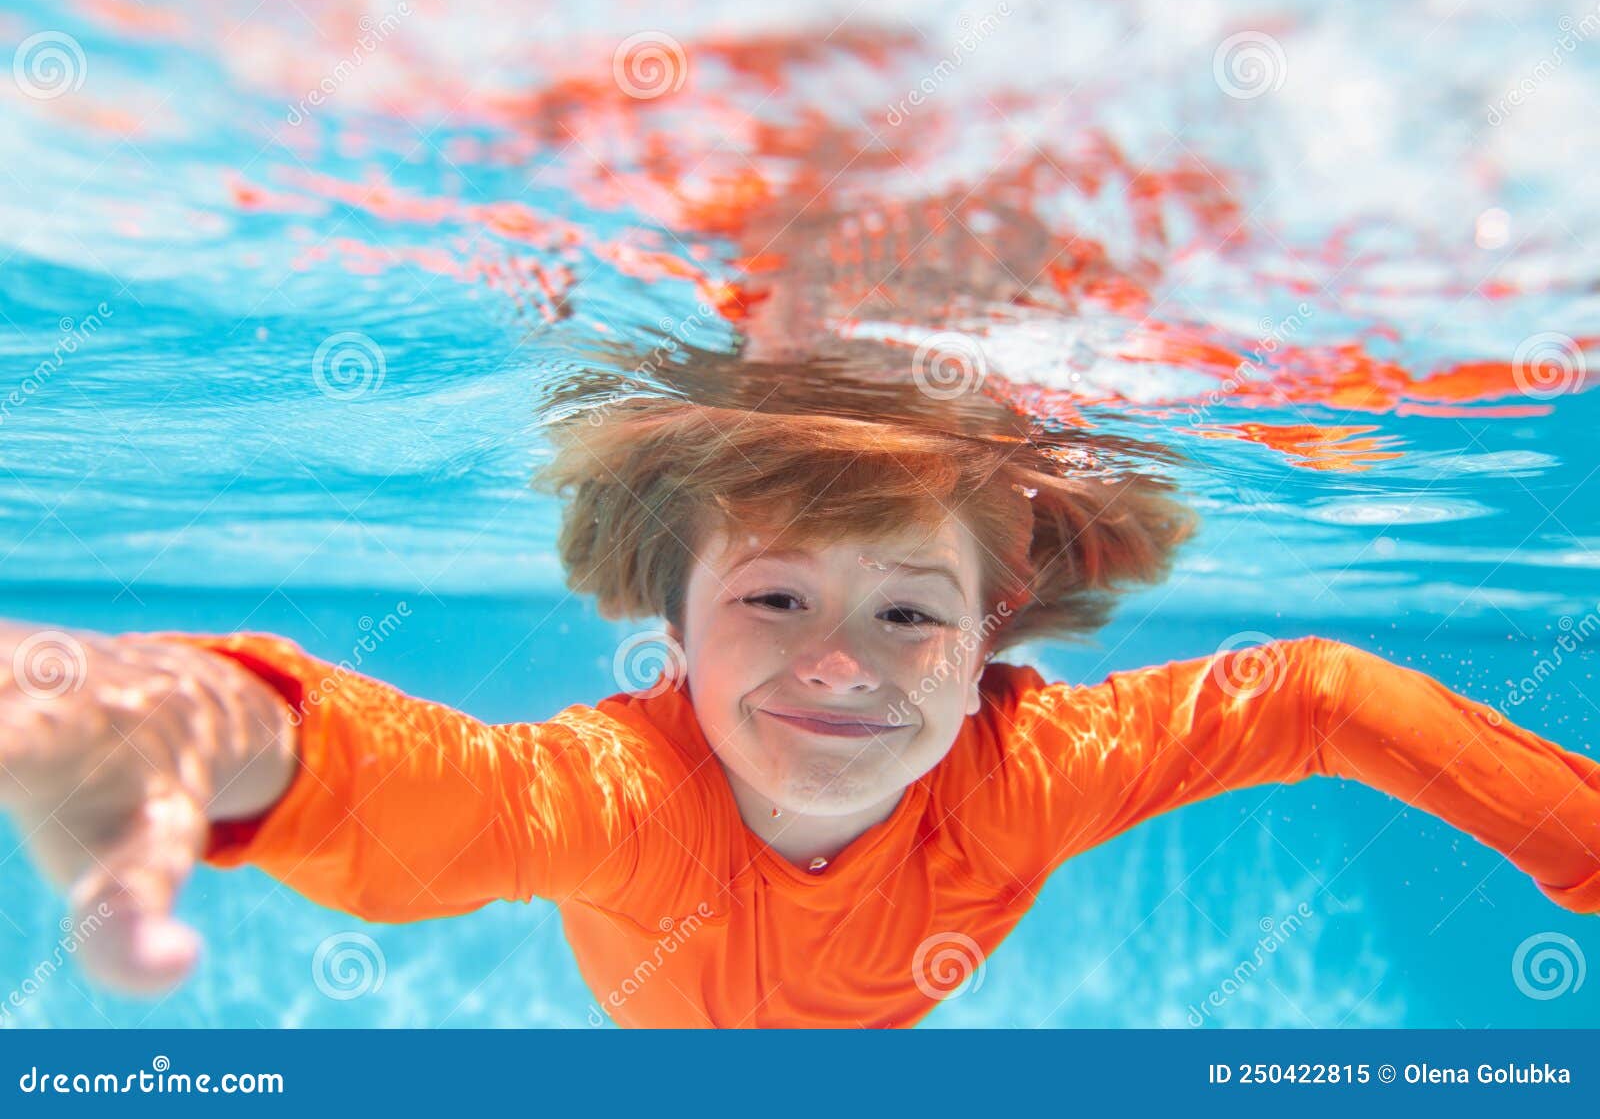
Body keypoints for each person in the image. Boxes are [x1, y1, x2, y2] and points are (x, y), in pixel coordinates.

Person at [2, 346, 1596, 1027]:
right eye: (773, 596)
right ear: (676, 622)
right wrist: (195, 721)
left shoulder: (1023, 765)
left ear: (991, 635)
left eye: (910, 610)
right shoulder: (638, 801)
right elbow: (427, 796)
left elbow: (1310, 690)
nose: (840, 665)